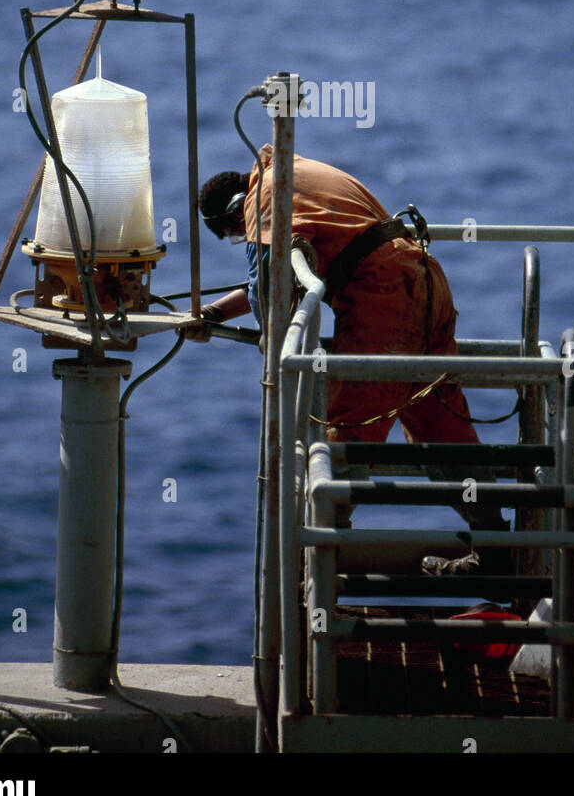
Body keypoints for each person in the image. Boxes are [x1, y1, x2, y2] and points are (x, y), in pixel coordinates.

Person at [189, 145, 510, 544]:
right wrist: (214, 314)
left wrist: (273, 345)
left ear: (237, 210)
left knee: (349, 434)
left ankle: (325, 556)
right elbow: (272, 280)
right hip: (422, 283)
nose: (245, 236)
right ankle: (499, 545)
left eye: (237, 234)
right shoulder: (293, 175)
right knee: (443, 431)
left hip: (383, 302)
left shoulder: (264, 198)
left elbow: (265, 291)